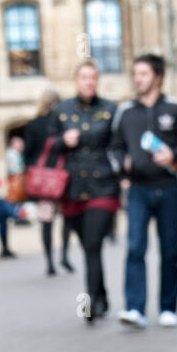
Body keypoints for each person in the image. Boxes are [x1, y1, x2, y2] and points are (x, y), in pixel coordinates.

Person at [109, 53, 177, 329]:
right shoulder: (125, 111)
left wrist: (175, 155)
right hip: (137, 190)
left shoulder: (174, 108)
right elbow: (113, 147)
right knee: (135, 247)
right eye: (135, 74)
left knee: (169, 250)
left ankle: (168, 307)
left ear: (158, 77)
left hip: (168, 188)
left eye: (143, 74)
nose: (137, 79)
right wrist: (122, 165)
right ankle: (134, 308)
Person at [50, 61, 119, 321]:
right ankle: (101, 295)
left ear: (98, 80)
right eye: (83, 77)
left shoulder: (110, 110)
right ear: (76, 80)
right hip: (74, 190)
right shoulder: (63, 110)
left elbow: (118, 144)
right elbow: (47, 146)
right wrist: (62, 141)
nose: (88, 82)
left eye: (93, 77)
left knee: (92, 243)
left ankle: (89, 304)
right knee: (89, 247)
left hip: (102, 186)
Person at [23, 86, 64, 276]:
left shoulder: (34, 124)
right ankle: (64, 254)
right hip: (63, 177)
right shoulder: (62, 124)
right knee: (69, 219)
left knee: (46, 222)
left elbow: (27, 154)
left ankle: (50, 261)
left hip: (43, 183)